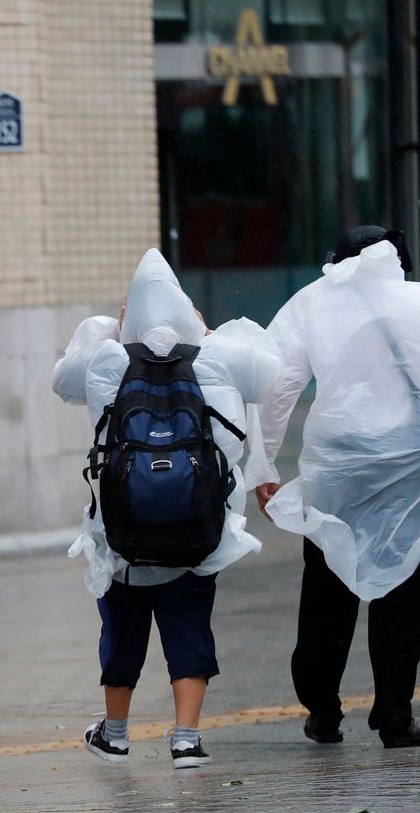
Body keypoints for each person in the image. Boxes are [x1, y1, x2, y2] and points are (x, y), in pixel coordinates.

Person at [246, 226, 420, 749]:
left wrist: (264, 466)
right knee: (404, 591)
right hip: (418, 461)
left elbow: (274, 389)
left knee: (326, 587)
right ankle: (394, 716)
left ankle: (322, 710)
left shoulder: (310, 303)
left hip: (341, 465)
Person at [53, 248, 282, 769]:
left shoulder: (110, 362)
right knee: (189, 625)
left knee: (122, 629)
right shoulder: (218, 360)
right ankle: (186, 739)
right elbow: (271, 370)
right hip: (197, 533)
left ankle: (114, 734)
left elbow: (62, 380)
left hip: (123, 538)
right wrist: (208, 333)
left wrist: (107, 331)